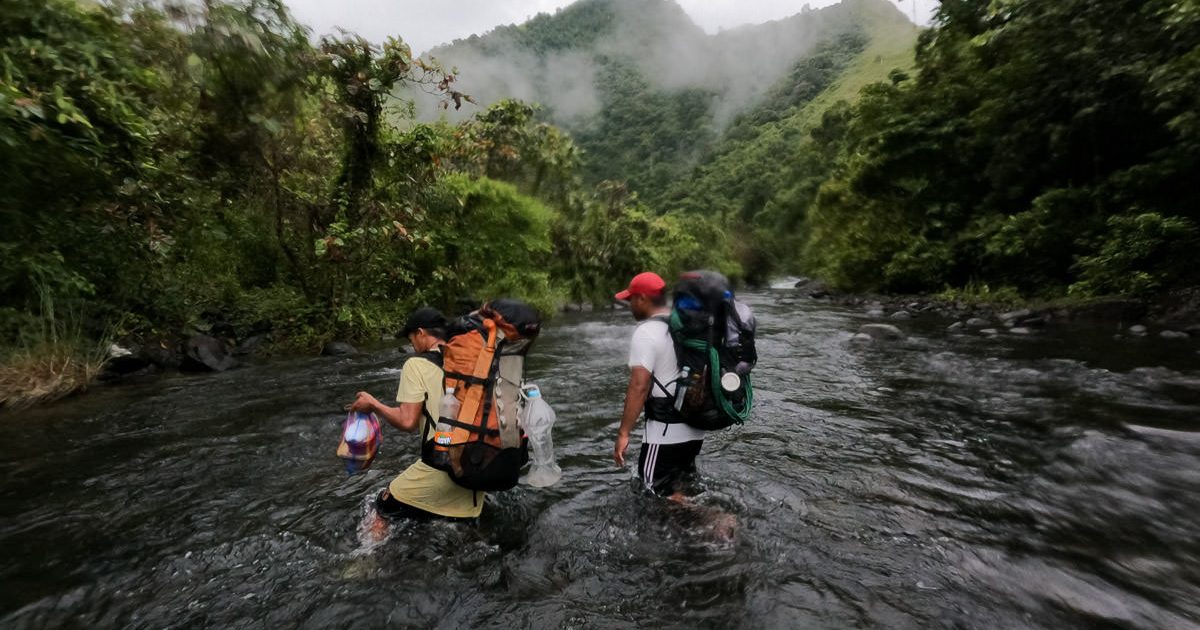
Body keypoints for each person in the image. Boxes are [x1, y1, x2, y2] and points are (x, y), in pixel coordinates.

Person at [349, 306, 484, 521]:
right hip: (478, 470)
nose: (411, 345)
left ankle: (365, 556)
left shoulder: (416, 364)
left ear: (421, 333)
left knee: (379, 510)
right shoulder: (471, 362)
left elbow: (407, 421)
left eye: (411, 337)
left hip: (441, 465)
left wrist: (373, 404)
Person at [612, 271, 706, 501]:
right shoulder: (686, 326)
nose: (629, 304)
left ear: (642, 298)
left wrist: (624, 433)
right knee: (680, 493)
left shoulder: (646, 332)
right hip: (695, 428)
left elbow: (639, 386)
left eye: (631, 299)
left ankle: (718, 524)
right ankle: (709, 527)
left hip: (664, 432)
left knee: (654, 497)